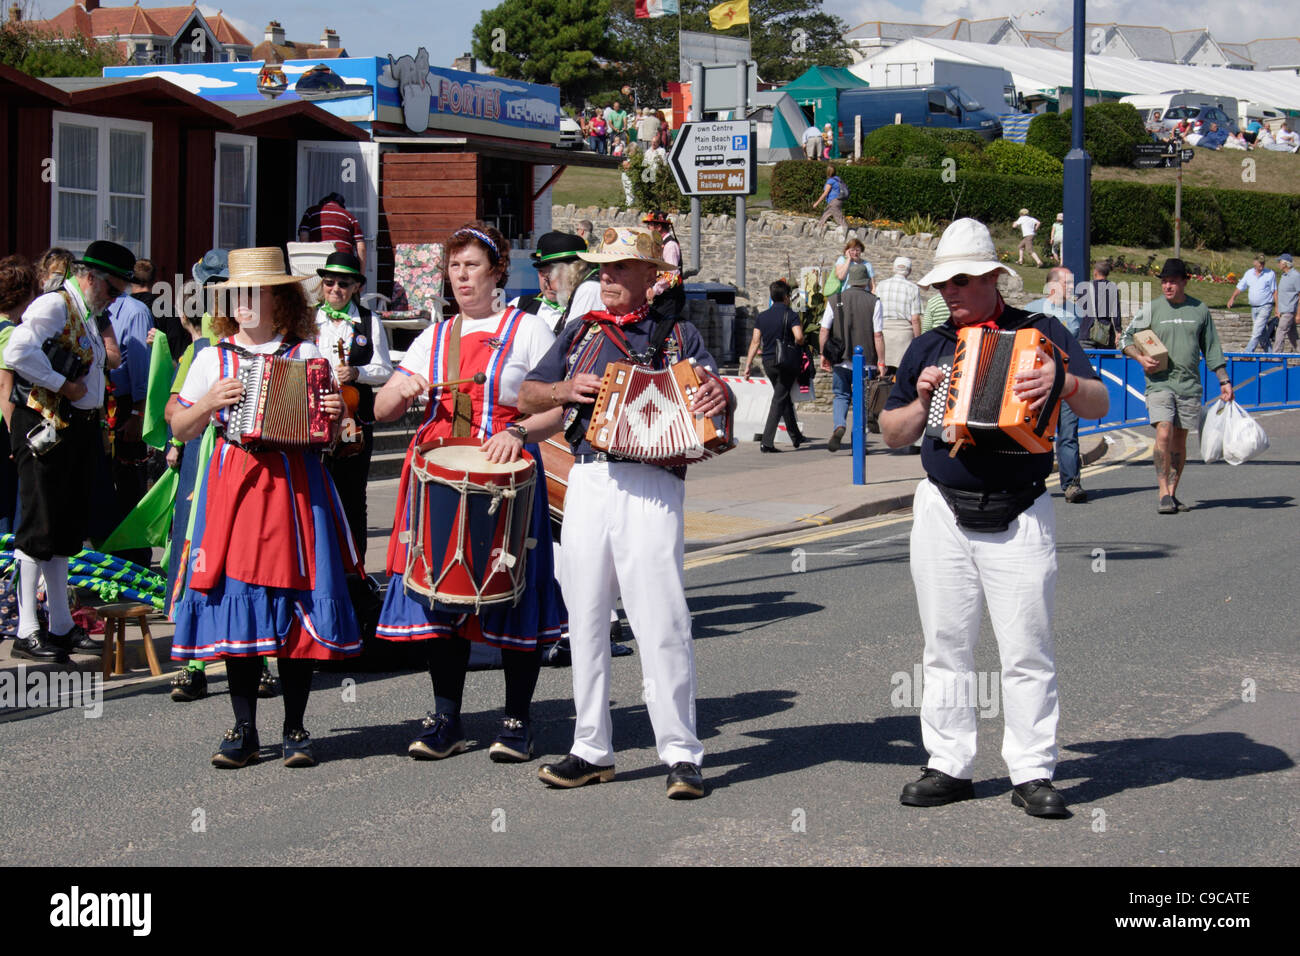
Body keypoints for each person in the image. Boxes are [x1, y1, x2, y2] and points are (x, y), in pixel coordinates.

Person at [880, 217, 1109, 819]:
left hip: (1020, 507)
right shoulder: (929, 346)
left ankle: (1032, 770)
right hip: (941, 511)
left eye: (959, 281)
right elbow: (893, 433)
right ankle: (948, 763)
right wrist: (925, 399)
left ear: (991, 278)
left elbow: (1100, 398)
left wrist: (1060, 381)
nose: (948, 293)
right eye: (941, 284)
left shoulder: (1042, 331)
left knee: (1026, 647)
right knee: (945, 644)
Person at [518, 226, 732, 800]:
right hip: (589, 476)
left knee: (661, 620)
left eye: (618, 270)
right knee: (584, 617)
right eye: (601, 270)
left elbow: (718, 394)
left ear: (649, 277)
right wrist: (566, 389)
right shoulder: (581, 333)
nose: (605, 278)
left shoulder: (680, 334)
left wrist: (718, 394)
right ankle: (590, 748)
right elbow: (528, 394)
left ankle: (682, 754)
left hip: (655, 480)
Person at [373, 222, 566, 765]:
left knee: (512, 592)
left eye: (472, 266)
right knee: (441, 595)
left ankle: (517, 720)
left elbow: (559, 404)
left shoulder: (527, 330)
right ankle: (446, 719)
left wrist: (519, 432)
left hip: (506, 473)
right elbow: (381, 410)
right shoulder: (431, 338)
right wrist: (401, 390)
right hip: (437, 477)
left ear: (497, 271)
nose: (461, 276)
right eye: (454, 267)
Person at [167, 247, 360, 768]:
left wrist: (336, 414)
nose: (247, 303)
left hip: (296, 486)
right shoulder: (212, 357)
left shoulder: (307, 356)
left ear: (281, 298)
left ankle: (296, 728)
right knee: (241, 603)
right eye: (239, 294)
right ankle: (244, 728)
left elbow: (332, 439)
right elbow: (177, 427)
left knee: (295, 602)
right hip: (235, 486)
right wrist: (208, 403)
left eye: (259, 292)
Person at [4, 240, 131, 662]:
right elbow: (16, 351)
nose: (114, 298)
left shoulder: (85, 311)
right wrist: (64, 385)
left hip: (74, 426)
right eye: (113, 290)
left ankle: (60, 624)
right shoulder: (55, 305)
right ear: (90, 277)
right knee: (39, 525)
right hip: (45, 423)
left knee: (62, 529)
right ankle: (27, 630)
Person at [1119, 258, 1233, 514]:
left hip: (1189, 385)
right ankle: (1162, 492)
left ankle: (1172, 492)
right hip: (1159, 383)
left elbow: (1212, 348)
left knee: (1180, 442)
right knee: (1163, 432)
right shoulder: (1152, 309)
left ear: (1185, 281)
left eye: (1172, 281)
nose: (1167, 286)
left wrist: (1224, 380)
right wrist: (1139, 357)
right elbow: (1125, 339)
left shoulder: (1200, 310)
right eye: (1164, 281)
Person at [314, 251, 394, 563]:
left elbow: (385, 368)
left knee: (351, 495)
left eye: (343, 284)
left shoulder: (369, 321)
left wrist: (357, 373)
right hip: (315, 417)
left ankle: (355, 567)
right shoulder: (308, 319)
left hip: (353, 422)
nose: (335, 289)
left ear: (356, 287)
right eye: (329, 282)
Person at [105, 270, 157, 569]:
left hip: (127, 406)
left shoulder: (134, 311)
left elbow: (140, 367)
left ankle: (133, 561)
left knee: (130, 486)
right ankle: (110, 557)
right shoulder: (95, 312)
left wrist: (138, 413)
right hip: (103, 403)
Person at [1025, 267, 1087, 504]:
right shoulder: (1032, 311)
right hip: (1039, 385)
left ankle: (1071, 484)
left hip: (1067, 383)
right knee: (1037, 434)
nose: (1072, 288)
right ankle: (1033, 482)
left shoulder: (1074, 312)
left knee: (1068, 435)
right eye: (1067, 283)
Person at [820, 260, 885, 453]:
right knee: (861, 401)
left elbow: (824, 330)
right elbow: (878, 335)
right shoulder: (874, 302)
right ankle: (858, 441)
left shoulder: (835, 299)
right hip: (866, 361)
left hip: (840, 359)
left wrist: (824, 354)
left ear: (850, 280)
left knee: (840, 395)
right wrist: (881, 361)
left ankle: (839, 425)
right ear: (865, 281)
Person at [742, 279, 806, 452]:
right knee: (779, 399)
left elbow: (755, 342)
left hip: (768, 362)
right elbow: (799, 337)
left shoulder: (762, 317)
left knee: (782, 394)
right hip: (786, 362)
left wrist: (748, 365)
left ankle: (796, 435)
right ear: (786, 297)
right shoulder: (791, 315)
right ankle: (767, 442)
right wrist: (801, 342)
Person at [0, 256, 37, 538]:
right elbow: (5, 386)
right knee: (6, 499)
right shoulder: (10, 332)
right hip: (3, 426)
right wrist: (16, 435)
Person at [875, 256, 922, 375]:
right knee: (903, 374)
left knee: (883, 374)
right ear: (909, 271)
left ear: (893, 269)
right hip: (904, 334)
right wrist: (918, 341)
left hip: (883, 332)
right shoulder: (913, 288)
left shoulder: (881, 285)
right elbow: (915, 319)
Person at [297, 192, 367, 271]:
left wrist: (306, 260)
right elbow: (361, 248)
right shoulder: (349, 216)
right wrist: (361, 274)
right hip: (344, 262)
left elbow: (304, 236)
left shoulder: (311, 212)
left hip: (318, 260)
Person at [1225, 254, 1277, 352]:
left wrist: (1277, 307)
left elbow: (1274, 291)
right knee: (1261, 332)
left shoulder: (1270, 274)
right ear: (1254, 262)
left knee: (1256, 331)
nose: (1262, 264)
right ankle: (1270, 354)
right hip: (1254, 307)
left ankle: (1248, 353)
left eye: (1263, 262)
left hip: (1266, 306)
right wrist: (1232, 298)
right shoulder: (1249, 273)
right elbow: (1240, 286)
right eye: (1260, 263)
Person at [1077, 259, 1122, 349]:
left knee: (1087, 363)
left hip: (1087, 332)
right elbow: (1116, 312)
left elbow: (1080, 309)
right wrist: (1118, 331)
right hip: (1105, 333)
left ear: (1095, 272)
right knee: (1107, 362)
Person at [642, 211, 682, 298]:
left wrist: (655, 290)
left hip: (670, 298)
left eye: (650, 225)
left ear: (659, 227)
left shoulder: (670, 245)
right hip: (661, 296)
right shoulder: (658, 244)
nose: (647, 228)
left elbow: (672, 274)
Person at [1274, 253, 1300, 353]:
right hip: (1284, 311)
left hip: (1290, 311)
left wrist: (1298, 314)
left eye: (1279, 262)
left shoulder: (1296, 276)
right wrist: (1278, 309)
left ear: (1285, 263)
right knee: (1293, 336)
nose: (1278, 264)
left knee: (1280, 331)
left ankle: (1276, 357)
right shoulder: (1284, 276)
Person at [812, 165, 848, 233]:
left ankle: (846, 233)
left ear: (828, 172)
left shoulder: (831, 181)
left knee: (839, 218)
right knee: (825, 215)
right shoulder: (838, 179)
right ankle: (818, 231)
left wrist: (816, 203)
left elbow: (825, 193)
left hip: (833, 202)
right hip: (838, 201)